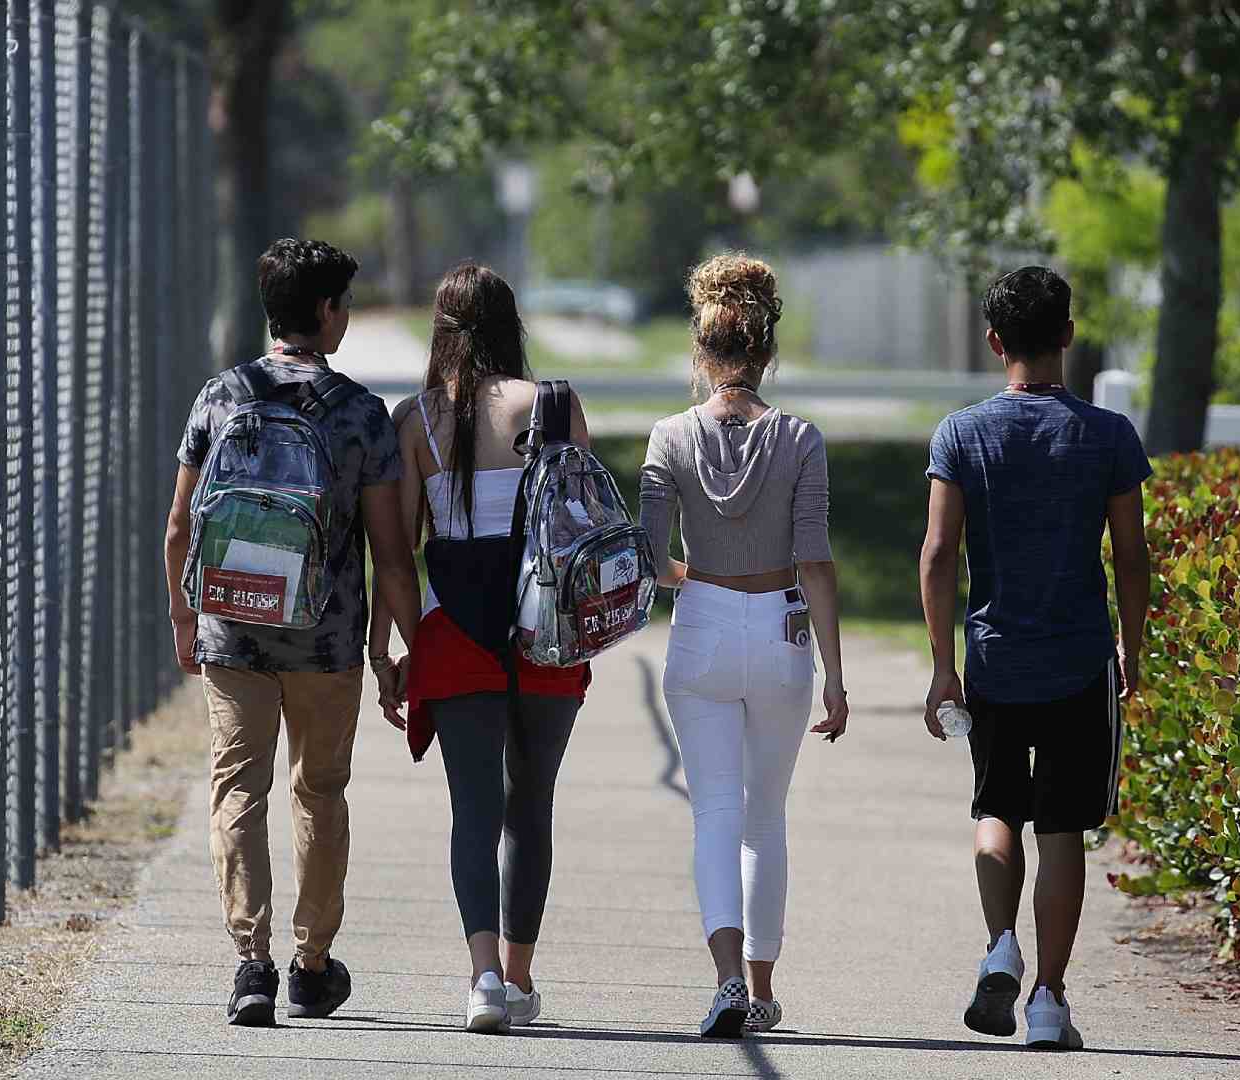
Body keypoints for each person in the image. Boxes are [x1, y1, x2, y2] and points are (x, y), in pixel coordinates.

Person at [162, 238, 423, 1029]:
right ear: (326, 311)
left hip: (232, 628)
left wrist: (184, 619)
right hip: (325, 638)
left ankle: (252, 963)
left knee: (239, 788)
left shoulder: (223, 396)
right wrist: (397, 650)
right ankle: (311, 967)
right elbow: (391, 554)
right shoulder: (359, 413)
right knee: (320, 791)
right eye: (345, 304)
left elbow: (180, 527)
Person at [918, 265, 1153, 1051]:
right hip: (1079, 661)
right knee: (1060, 830)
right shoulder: (1109, 436)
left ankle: (1000, 947)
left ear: (994, 342)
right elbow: (1132, 559)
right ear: (1069, 336)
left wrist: (944, 665)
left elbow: (939, 554)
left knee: (995, 812)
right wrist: (1132, 648)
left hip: (992, 659)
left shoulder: (961, 435)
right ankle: (1048, 1001)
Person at [370, 262, 592, 1033]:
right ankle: (522, 978)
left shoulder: (417, 419)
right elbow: (585, 525)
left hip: (454, 626)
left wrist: (391, 648)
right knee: (531, 805)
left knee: (473, 809)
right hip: (547, 627)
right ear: (511, 326)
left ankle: (485, 980)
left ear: (441, 330)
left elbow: (396, 553)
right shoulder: (555, 405)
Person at [639, 253, 848, 1039]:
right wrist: (835, 675)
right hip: (781, 629)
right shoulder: (800, 439)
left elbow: (651, 558)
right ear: (767, 350)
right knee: (766, 819)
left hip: (702, 625)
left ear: (701, 351)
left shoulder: (668, 437)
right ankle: (762, 988)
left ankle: (725, 978)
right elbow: (815, 560)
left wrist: (693, 575)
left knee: (715, 816)